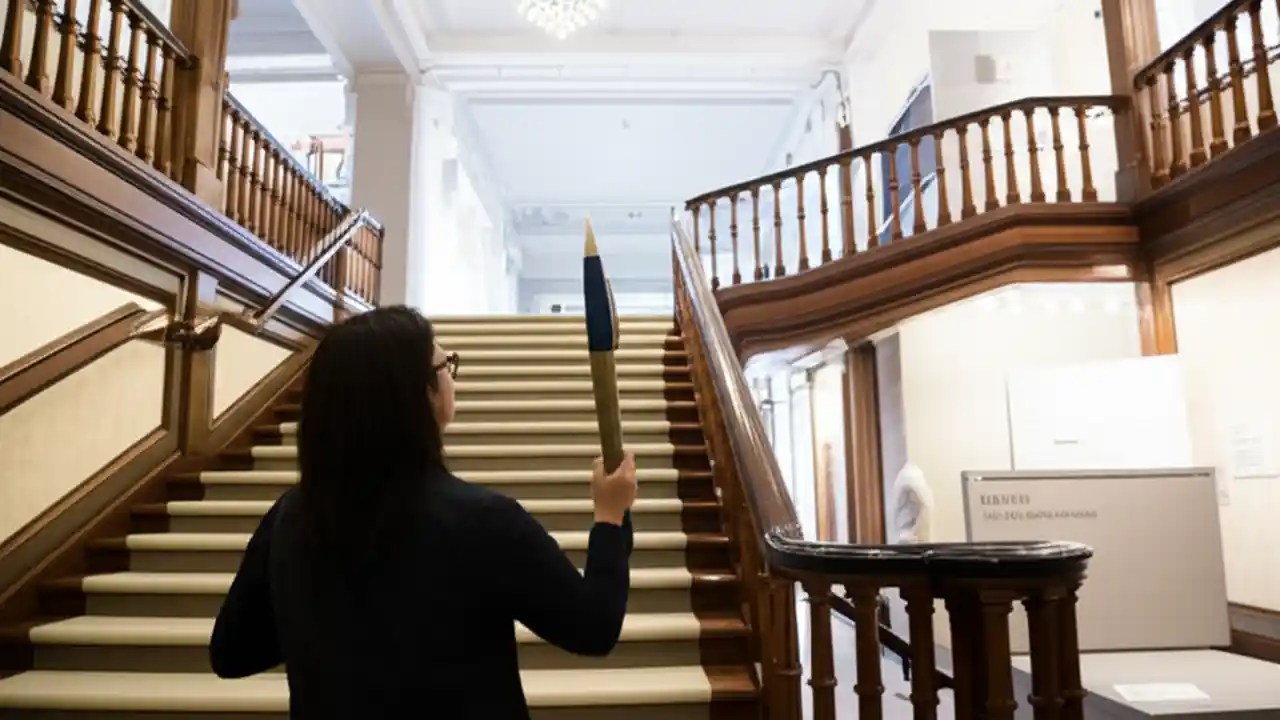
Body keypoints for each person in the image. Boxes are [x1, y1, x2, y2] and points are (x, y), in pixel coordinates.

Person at [208, 305, 638, 718]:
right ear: (417, 395)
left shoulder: (290, 518)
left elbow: (231, 653)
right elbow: (592, 626)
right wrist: (610, 517)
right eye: (444, 365)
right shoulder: (484, 521)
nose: (452, 374)